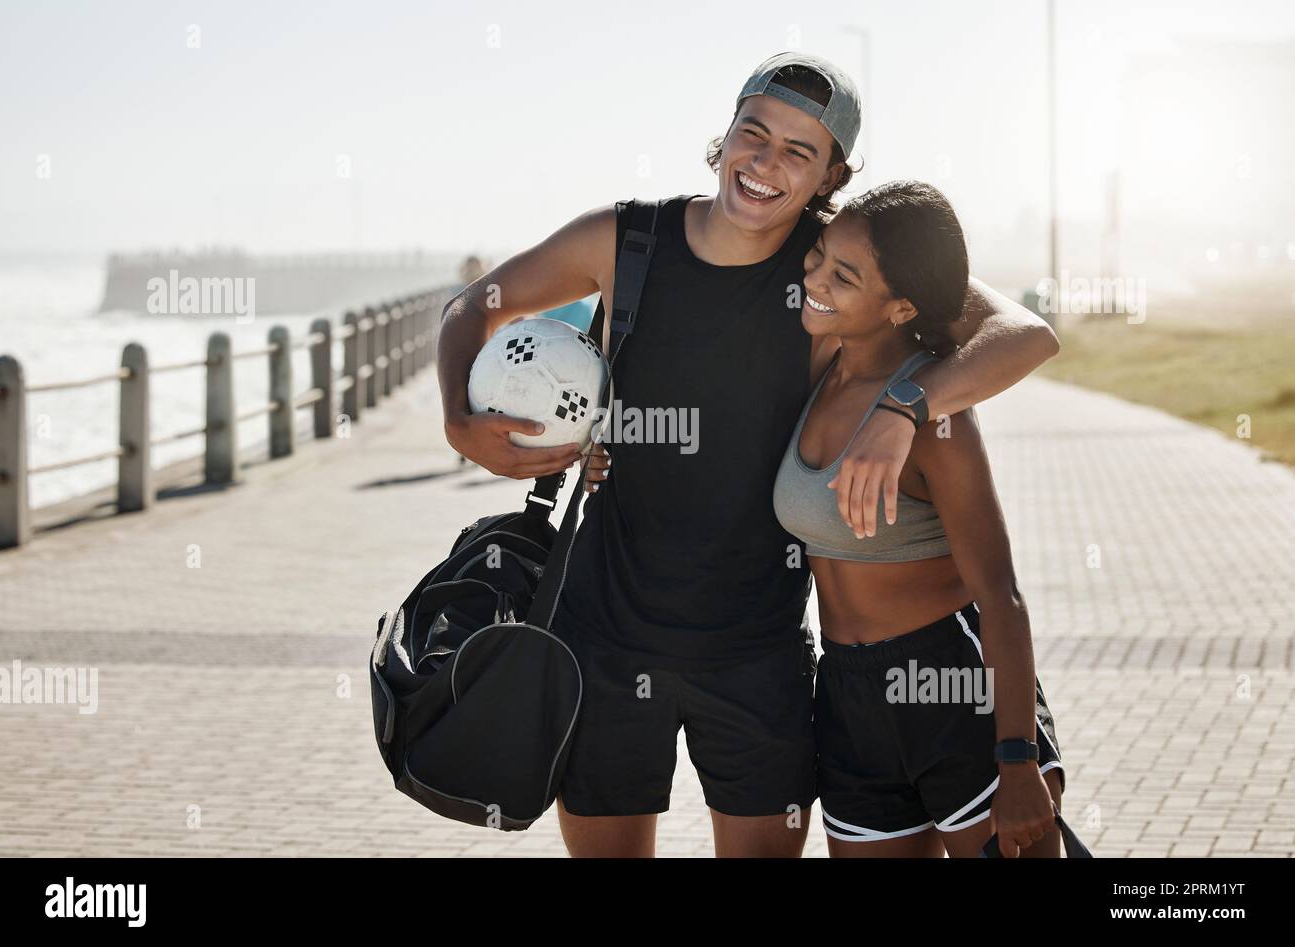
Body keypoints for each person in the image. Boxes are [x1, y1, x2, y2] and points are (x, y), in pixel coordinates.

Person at [437, 52, 1059, 858]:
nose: (764, 163)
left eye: (799, 151)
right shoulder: (625, 242)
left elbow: (1026, 335)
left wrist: (908, 408)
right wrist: (459, 420)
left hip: (757, 652)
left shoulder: (835, 264)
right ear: (725, 132)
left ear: (832, 174)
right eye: (753, 133)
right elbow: (473, 305)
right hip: (605, 639)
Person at [771, 180, 1064, 857]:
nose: (815, 278)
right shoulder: (817, 372)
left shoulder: (939, 417)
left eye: (844, 276)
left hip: (956, 690)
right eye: (818, 257)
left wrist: (1018, 760)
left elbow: (1000, 595)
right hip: (845, 697)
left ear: (901, 305)